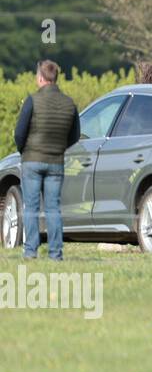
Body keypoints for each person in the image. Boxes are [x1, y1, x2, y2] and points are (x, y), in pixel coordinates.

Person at [14, 60, 80, 260]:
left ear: (41, 78)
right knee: (53, 208)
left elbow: (19, 133)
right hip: (56, 162)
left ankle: (30, 251)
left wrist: (23, 150)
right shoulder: (70, 103)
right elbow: (75, 135)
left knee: (31, 207)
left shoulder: (32, 100)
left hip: (32, 161)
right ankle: (55, 253)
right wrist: (59, 148)